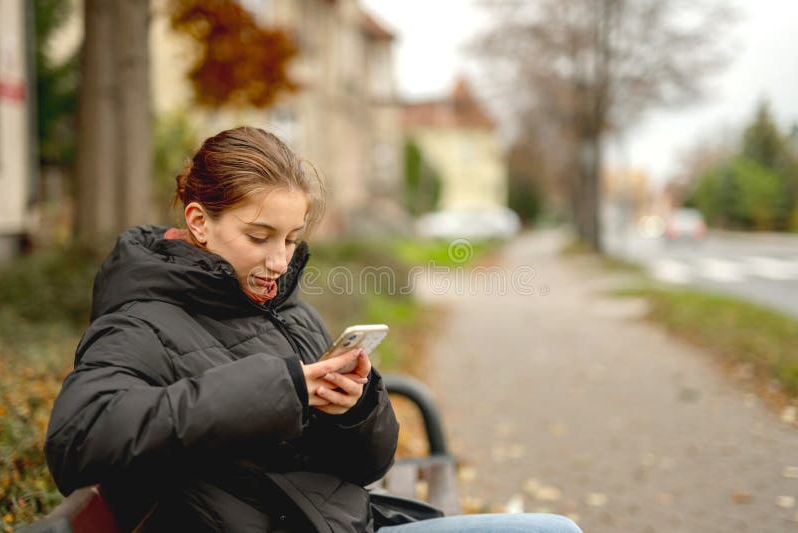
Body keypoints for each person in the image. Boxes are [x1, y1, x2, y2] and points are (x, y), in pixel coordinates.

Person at [44, 126, 582, 533]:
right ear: (200, 222)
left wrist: (355, 409)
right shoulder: (140, 321)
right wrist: (281, 389)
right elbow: (78, 440)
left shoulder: (286, 311)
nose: (279, 261)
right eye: (260, 236)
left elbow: (370, 464)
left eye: (290, 238)